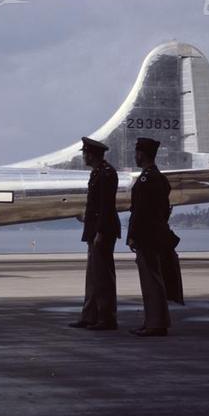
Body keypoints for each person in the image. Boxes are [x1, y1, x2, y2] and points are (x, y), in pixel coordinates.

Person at [69, 137, 121, 331]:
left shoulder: (106, 174)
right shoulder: (98, 173)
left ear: (92, 154)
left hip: (102, 231)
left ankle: (107, 318)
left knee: (103, 276)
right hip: (95, 229)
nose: (84, 156)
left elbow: (106, 207)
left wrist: (100, 231)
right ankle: (90, 315)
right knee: (93, 276)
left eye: (85, 153)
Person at [127, 137, 173, 337]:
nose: (135, 156)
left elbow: (140, 212)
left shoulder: (146, 179)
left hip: (147, 236)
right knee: (155, 279)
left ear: (141, 154)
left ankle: (155, 323)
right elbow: (164, 209)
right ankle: (155, 321)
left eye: (137, 152)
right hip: (156, 233)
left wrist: (133, 236)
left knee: (151, 281)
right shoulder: (160, 177)